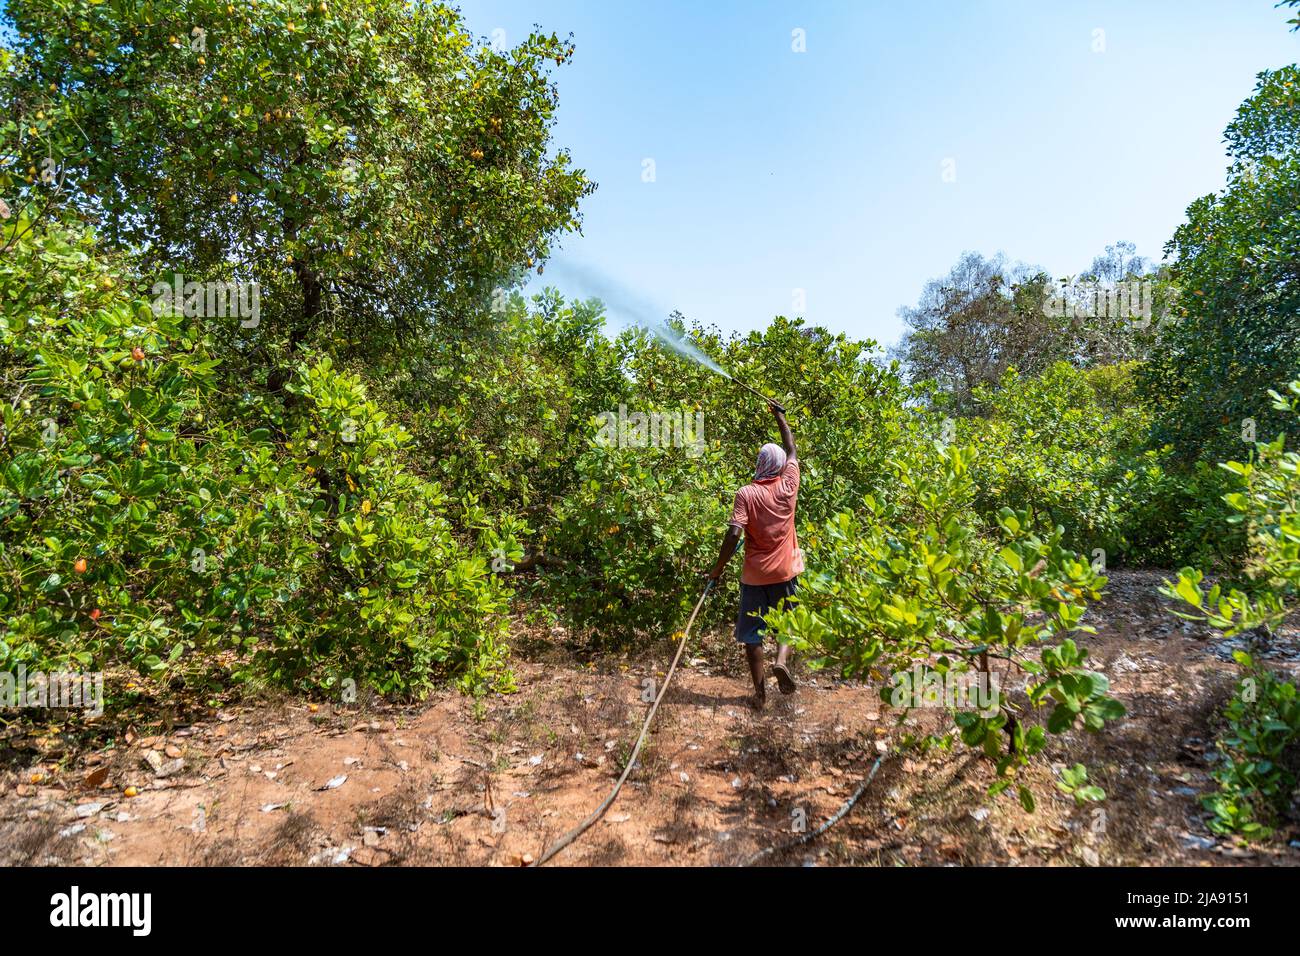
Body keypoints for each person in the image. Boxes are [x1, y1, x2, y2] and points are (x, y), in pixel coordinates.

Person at [707, 399, 803, 710]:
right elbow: (792, 450)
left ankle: (760, 695)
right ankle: (782, 660)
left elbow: (734, 532)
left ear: (760, 463)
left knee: (752, 634)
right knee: (789, 622)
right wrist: (780, 417)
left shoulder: (746, 494)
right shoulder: (789, 485)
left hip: (755, 574)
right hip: (786, 569)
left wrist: (717, 569)